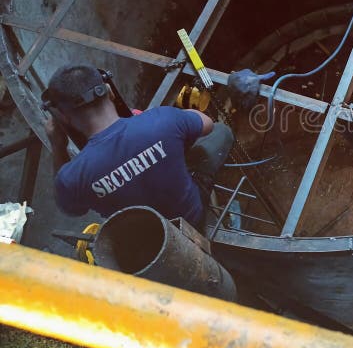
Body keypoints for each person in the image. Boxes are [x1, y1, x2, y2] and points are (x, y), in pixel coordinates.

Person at [43, 64, 233, 231]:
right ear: (109, 90)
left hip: (147, 243)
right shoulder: (162, 119)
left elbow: (70, 209)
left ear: (63, 117)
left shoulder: (71, 177)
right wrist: (151, 122)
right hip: (191, 221)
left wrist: (58, 147)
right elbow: (207, 125)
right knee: (221, 132)